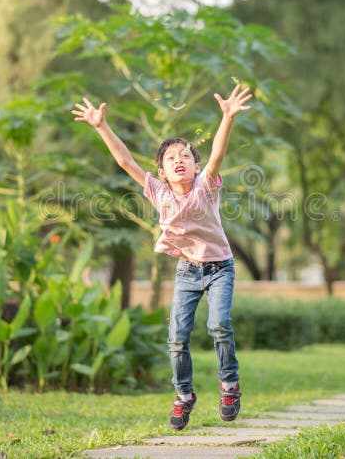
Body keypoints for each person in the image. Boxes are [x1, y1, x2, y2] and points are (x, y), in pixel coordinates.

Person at [72, 83, 252, 431]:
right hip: (187, 271)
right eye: (170, 158)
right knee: (177, 336)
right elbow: (125, 161)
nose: (179, 160)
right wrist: (101, 126)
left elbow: (216, 154)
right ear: (163, 172)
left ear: (196, 165)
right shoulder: (159, 192)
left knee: (218, 325)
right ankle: (184, 395)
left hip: (220, 269)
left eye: (185, 155)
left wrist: (227, 117)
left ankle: (229, 385)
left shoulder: (206, 185)